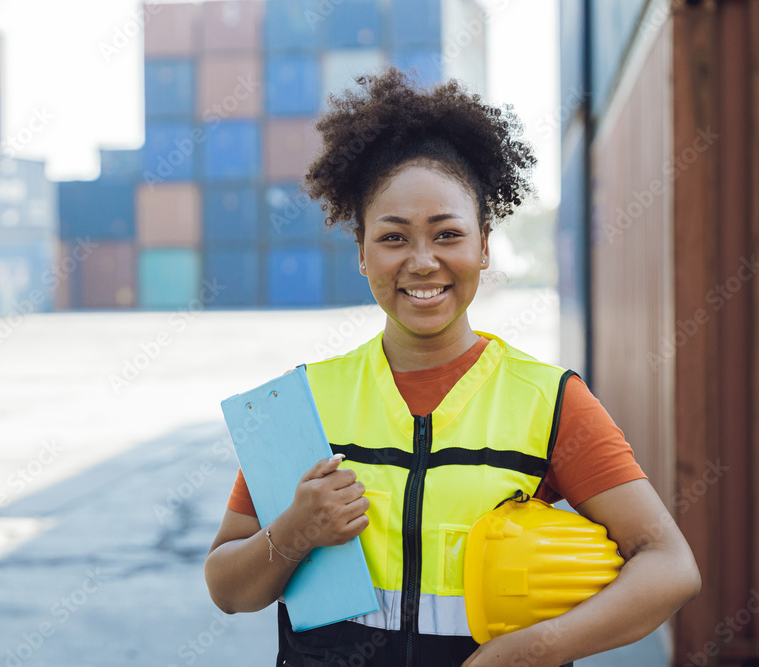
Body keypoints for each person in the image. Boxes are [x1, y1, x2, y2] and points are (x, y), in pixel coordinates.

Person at [203, 67, 700, 667]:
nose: (422, 262)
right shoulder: (298, 403)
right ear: (360, 250)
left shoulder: (549, 400)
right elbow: (228, 589)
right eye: (393, 239)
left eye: (447, 235)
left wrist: (530, 651)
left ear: (484, 246)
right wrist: (295, 531)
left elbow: (669, 565)